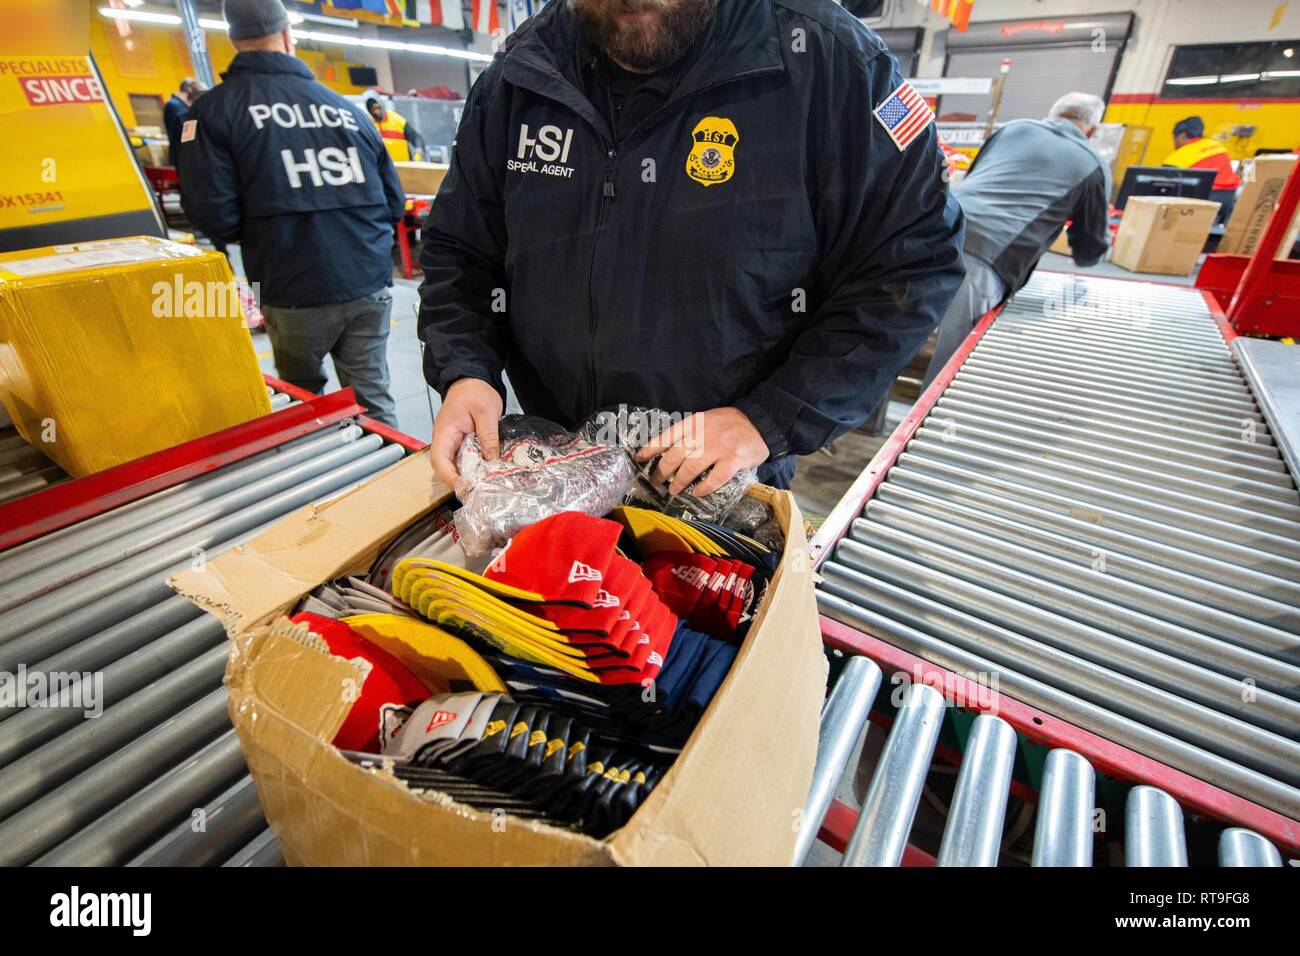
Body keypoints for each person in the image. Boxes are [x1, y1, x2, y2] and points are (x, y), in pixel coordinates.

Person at [418, 0, 964, 495]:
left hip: (724, 477)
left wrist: (768, 418)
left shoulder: (836, 67)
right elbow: (462, 249)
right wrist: (468, 370)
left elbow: (914, 260)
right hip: (556, 465)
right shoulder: (520, 74)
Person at [178, 0, 406, 429]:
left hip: (289, 289)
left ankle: (320, 486)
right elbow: (393, 203)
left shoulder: (214, 112)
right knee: (373, 397)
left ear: (232, 39)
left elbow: (214, 217)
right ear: (287, 36)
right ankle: (398, 487)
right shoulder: (348, 110)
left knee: (304, 401)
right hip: (367, 281)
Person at [918, 91, 1111, 390]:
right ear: (1093, 129)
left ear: (1053, 113)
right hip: (984, 257)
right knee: (951, 356)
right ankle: (920, 430)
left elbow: (977, 177)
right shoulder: (1092, 164)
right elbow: (1089, 247)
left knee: (894, 328)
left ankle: (865, 421)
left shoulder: (1012, 129)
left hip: (932, 229)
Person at [1162, 115, 1240, 222]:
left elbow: (1164, 189)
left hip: (1204, 202)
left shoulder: (1178, 157)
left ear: (1183, 136)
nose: (1175, 144)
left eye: (1175, 139)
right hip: (1230, 199)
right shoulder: (1217, 146)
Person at [365, 95, 426, 163]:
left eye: (378, 107)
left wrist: (418, 154)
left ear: (382, 106)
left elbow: (416, 138)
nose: (376, 112)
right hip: (382, 167)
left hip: (403, 165)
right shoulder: (368, 123)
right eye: (372, 109)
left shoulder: (397, 120)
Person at [163, 78, 205, 166]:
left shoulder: (178, 106)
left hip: (184, 155)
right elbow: (187, 135)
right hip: (183, 156)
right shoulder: (175, 106)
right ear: (189, 91)